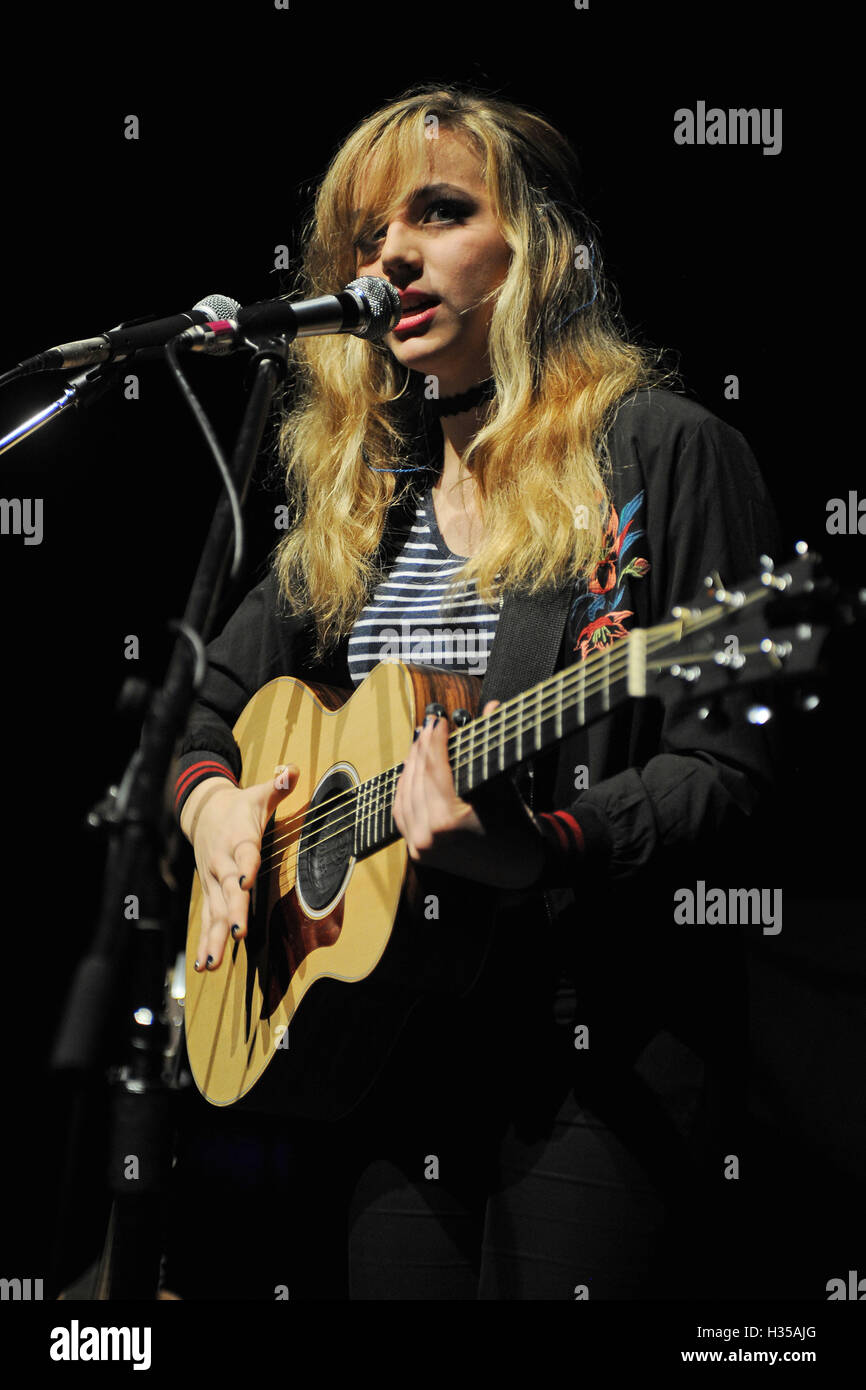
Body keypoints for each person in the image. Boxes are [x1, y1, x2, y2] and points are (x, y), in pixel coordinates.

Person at [168, 83, 782, 1300]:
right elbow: (196, 717)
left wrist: (543, 843)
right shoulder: (360, 506)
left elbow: (730, 771)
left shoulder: (659, 454)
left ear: (538, 248)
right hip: (386, 1053)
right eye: (365, 236)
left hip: (589, 1049)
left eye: (439, 212)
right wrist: (215, 814)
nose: (389, 253)